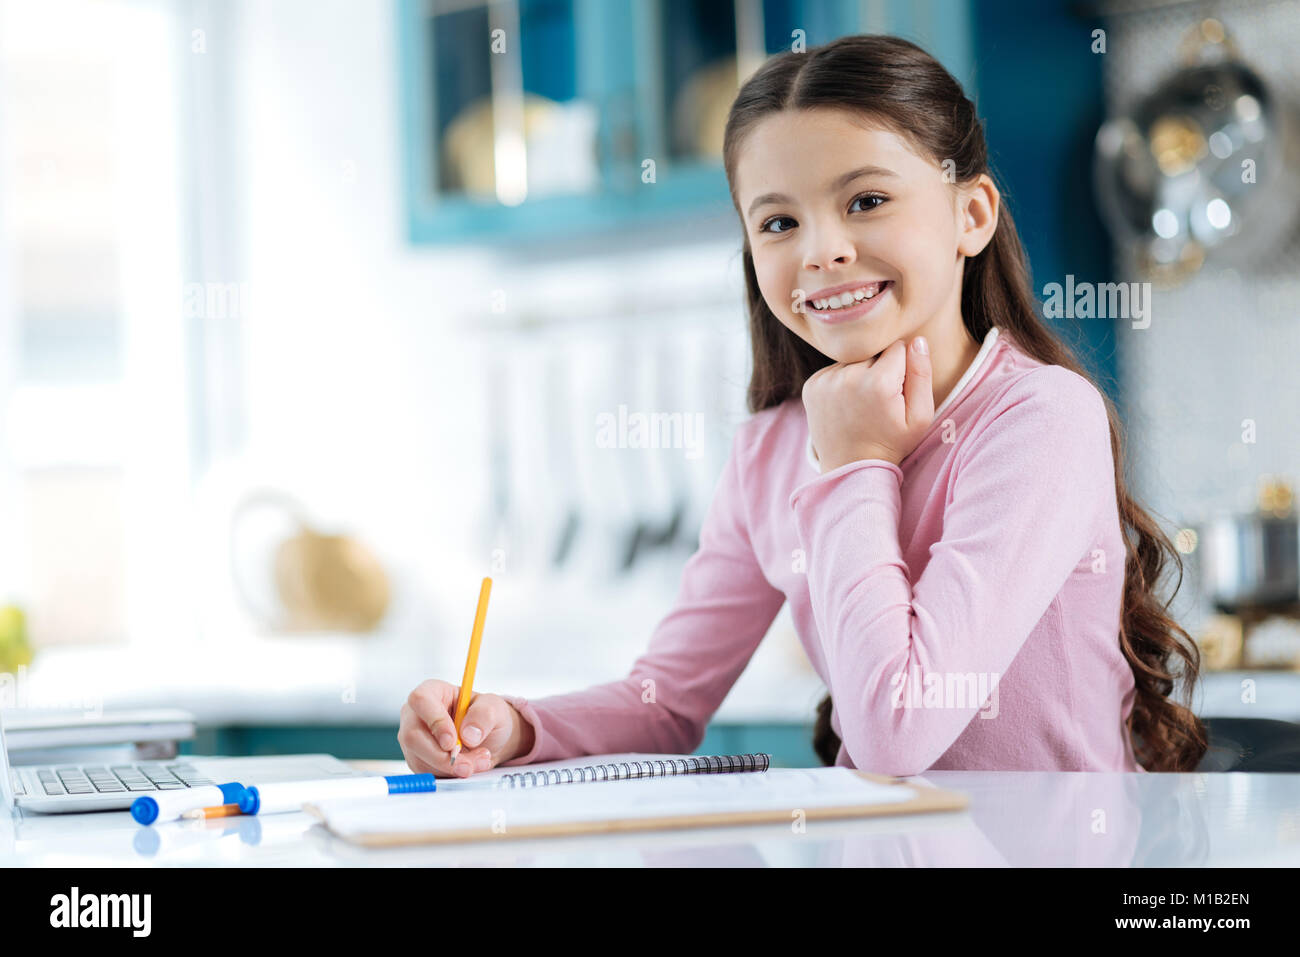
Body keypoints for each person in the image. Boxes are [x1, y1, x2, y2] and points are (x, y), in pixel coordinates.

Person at [397, 34, 1207, 778]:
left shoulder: (1039, 418)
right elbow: (668, 700)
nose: (821, 250)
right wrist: (516, 726)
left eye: (865, 201)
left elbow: (897, 734)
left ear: (972, 215)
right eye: (779, 220)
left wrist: (857, 463)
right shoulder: (773, 450)